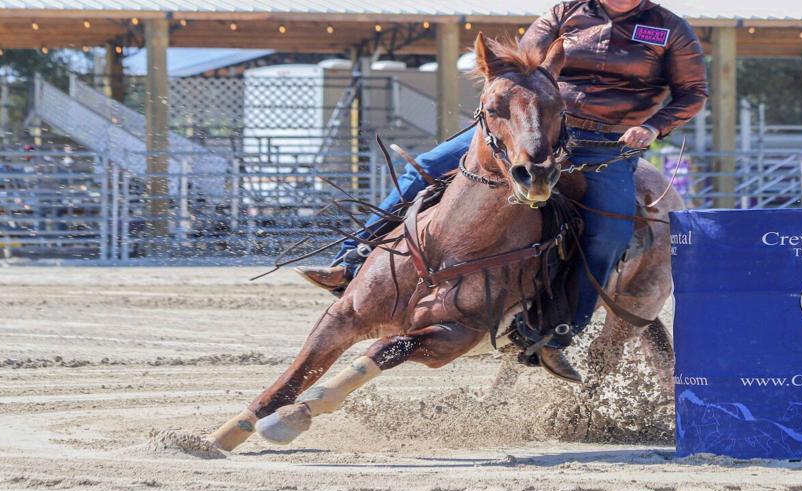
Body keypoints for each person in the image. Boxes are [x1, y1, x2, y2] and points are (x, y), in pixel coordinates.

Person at [302, 0, 707, 381]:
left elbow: (692, 92)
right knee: (425, 168)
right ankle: (353, 260)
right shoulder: (565, 13)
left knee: (609, 235)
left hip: (606, 144)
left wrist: (653, 127)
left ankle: (558, 330)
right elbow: (522, 67)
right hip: (533, 128)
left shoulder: (668, 29)